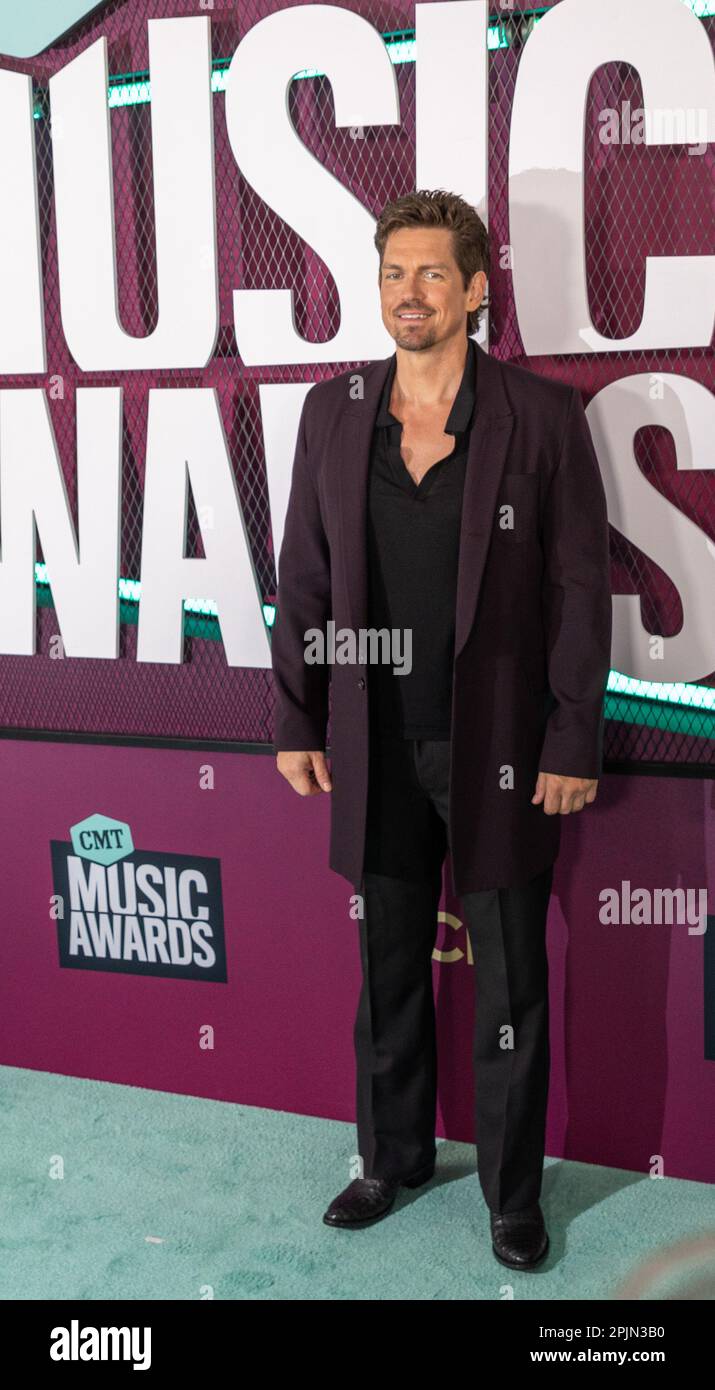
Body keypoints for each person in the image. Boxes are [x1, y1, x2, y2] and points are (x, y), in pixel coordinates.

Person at [271, 189, 612, 1271]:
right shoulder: (333, 412)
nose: (406, 294)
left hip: (502, 749)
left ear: (474, 288)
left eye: (429, 274)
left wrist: (569, 741)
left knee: (510, 980)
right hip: (375, 738)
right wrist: (298, 714)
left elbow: (578, 590)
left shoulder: (541, 417)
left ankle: (513, 1197)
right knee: (386, 967)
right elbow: (306, 578)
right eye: (390, 273)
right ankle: (393, 1158)